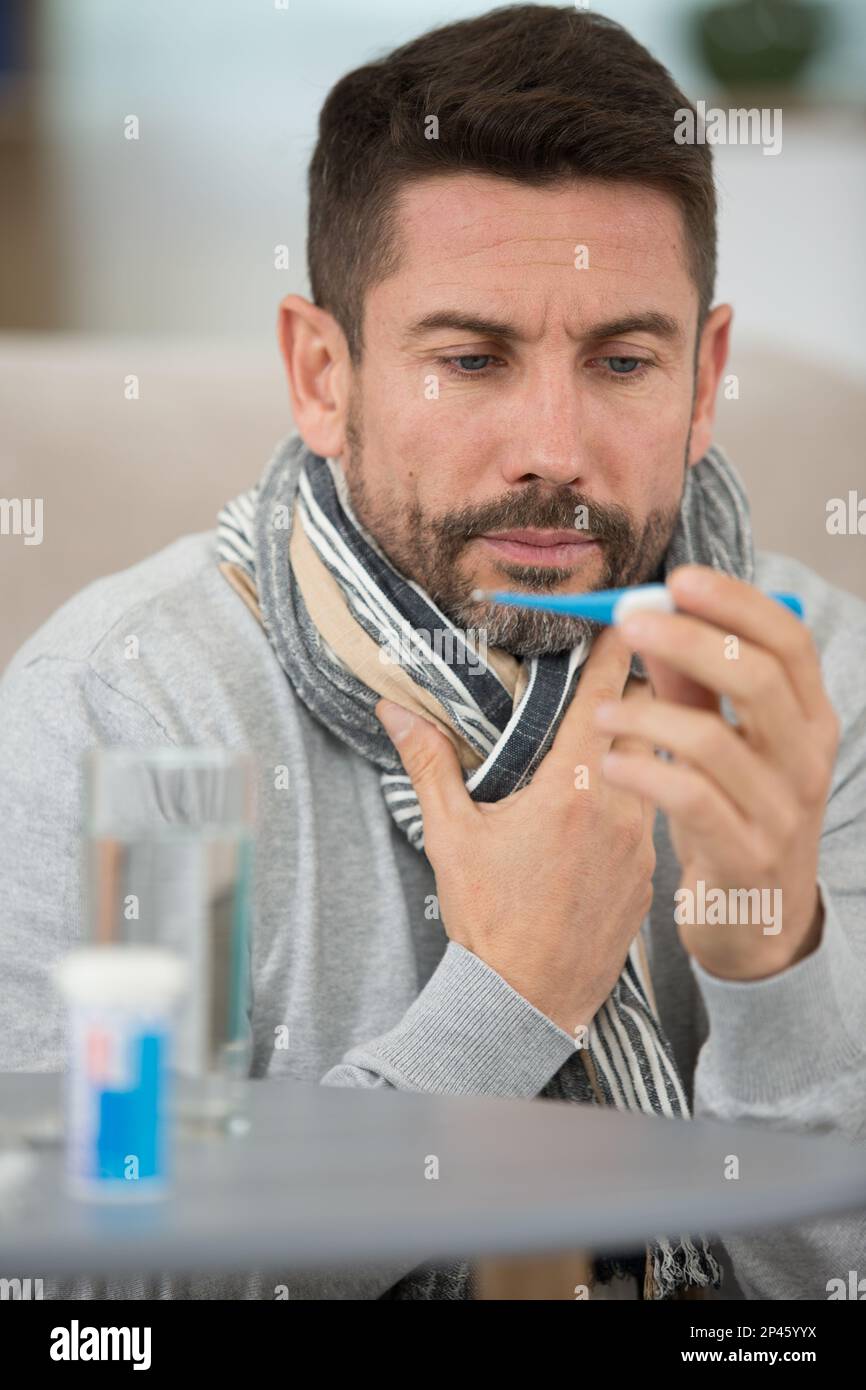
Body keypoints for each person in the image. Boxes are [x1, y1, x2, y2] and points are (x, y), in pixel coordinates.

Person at [1, 5, 864, 1301]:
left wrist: (767, 960)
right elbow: (84, 1318)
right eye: (470, 358)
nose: (553, 448)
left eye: (623, 360)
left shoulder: (820, 685)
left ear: (703, 377)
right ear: (320, 373)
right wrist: (504, 1000)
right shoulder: (117, 712)